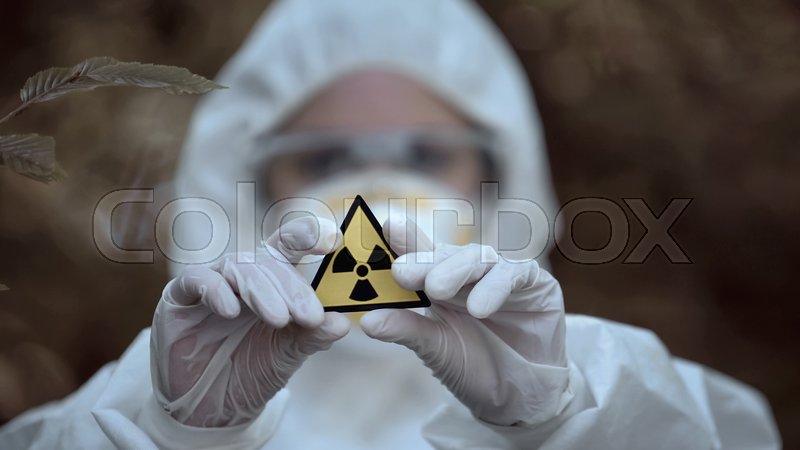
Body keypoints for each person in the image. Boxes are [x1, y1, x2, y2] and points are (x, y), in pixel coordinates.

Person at [0, 0, 781, 448]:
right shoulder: (144, 405)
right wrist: (175, 433)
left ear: (500, 179)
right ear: (244, 186)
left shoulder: (598, 388)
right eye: (324, 157)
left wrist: (566, 420)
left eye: (424, 153)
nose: (375, 188)